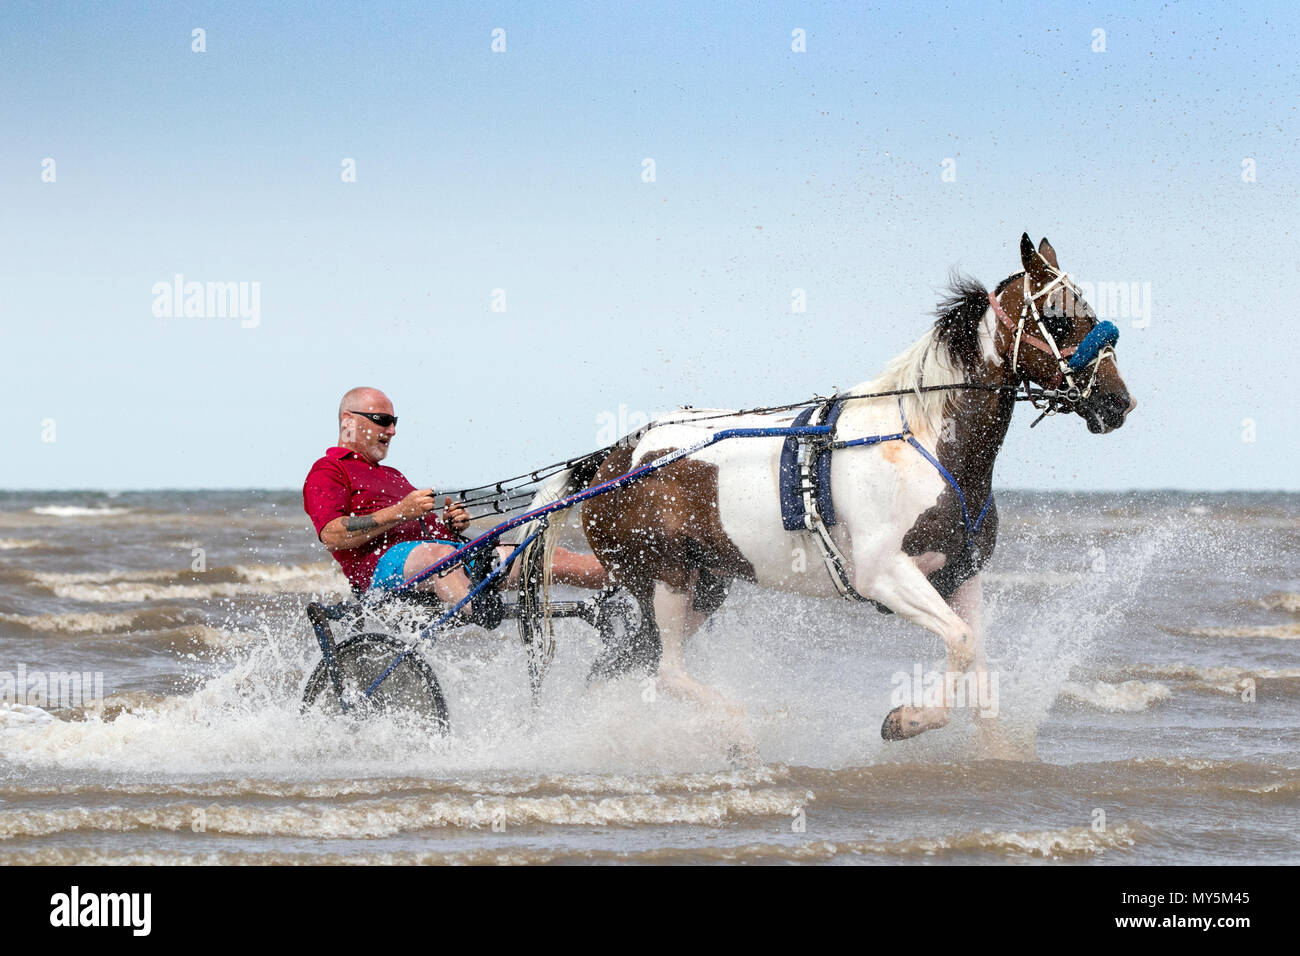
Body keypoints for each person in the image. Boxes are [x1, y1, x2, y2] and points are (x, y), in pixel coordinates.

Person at [302, 386, 608, 622]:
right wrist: (400, 512)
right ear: (348, 422)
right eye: (382, 421)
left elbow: (417, 527)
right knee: (440, 555)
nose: (392, 431)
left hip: (447, 556)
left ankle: (631, 581)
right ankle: (477, 609)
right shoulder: (329, 470)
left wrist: (448, 524)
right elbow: (332, 534)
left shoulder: (392, 475)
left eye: (394, 422)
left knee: (541, 555)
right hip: (383, 572)